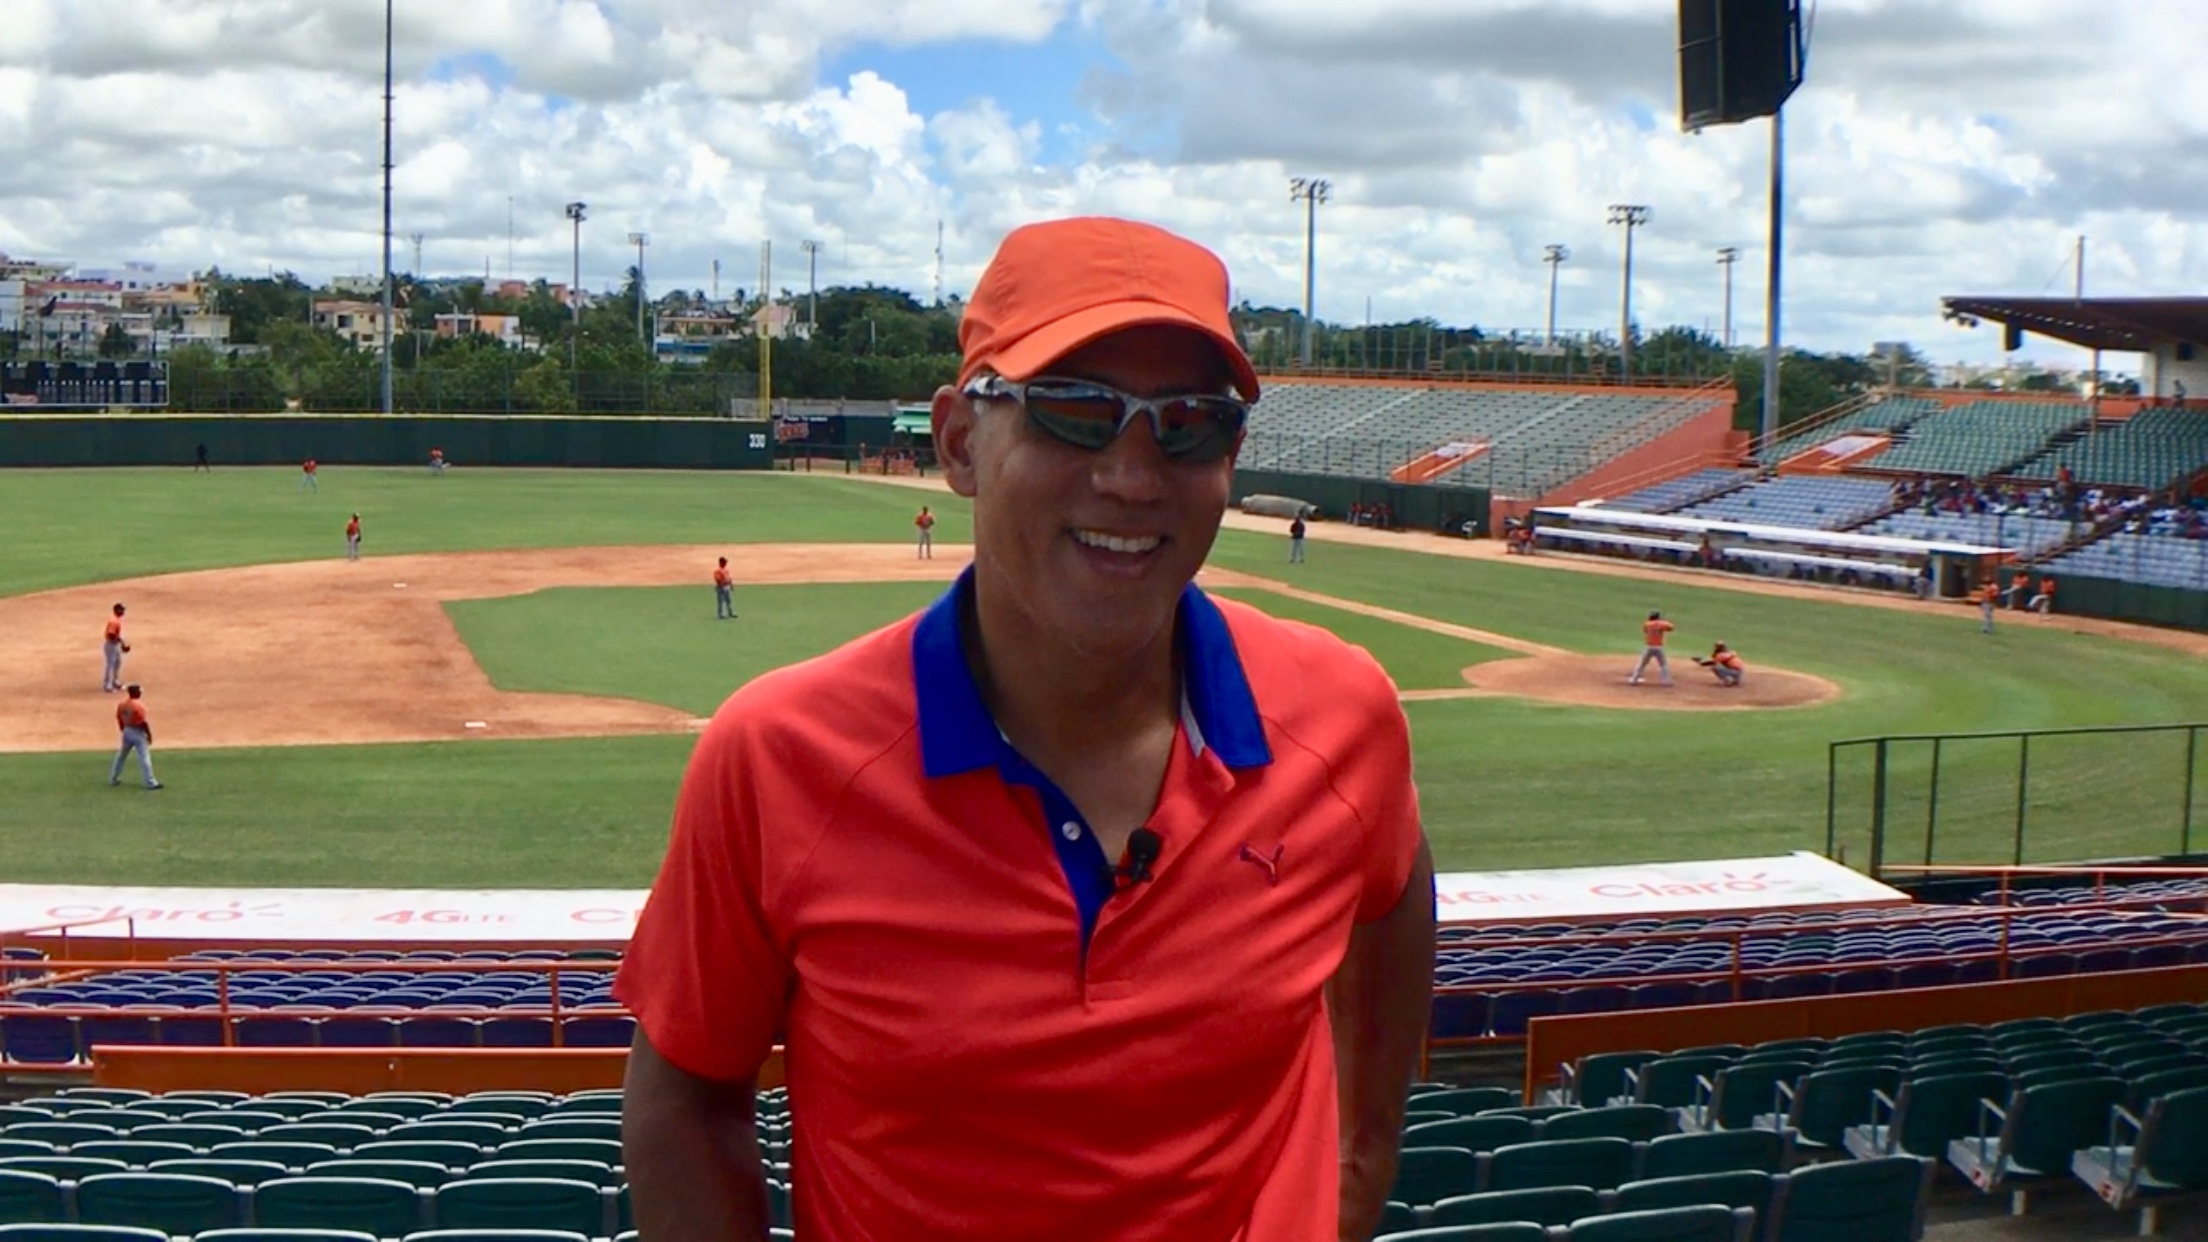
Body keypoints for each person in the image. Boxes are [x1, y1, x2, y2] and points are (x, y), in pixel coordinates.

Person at [616, 216, 1435, 1242]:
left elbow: (1393, 887)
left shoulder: (1343, 714)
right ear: (961, 442)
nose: (1134, 477)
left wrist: (1361, 1165)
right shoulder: (778, 757)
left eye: (1190, 422)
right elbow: (686, 1094)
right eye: (1075, 412)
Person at [109, 685, 161, 790]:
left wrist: (124, 729)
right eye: (139, 691)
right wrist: (148, 734)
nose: (141, 692)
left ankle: (114, 778)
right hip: (137, 732)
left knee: (121, 756)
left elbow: (119, 718)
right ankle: (150, 782)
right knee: (144, 757)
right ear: (136, 692)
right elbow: (143, 722)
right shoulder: (138, 706)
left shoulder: (122, 704)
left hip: (127, 730)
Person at [1629, 609, 1675, 686]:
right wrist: (1662, 621)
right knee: (1663, 665)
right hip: (1658, 647)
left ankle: (1634, 680)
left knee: (1642, 664)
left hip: (1649, 647)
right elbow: (1671, 628)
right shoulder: (1662, 624)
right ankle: (1667, 682)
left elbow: (1645, 630)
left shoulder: (1647, 624)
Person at [101, 603, 130, 692]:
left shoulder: (116, 619)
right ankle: (107, 685)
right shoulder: (114, 621)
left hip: (114, 644)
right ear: (117, 610)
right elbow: (111, 634)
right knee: (111, 665)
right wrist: (121, 642)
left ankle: (115, 682)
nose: (123, 612)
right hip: (111, 645)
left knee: (117, 663)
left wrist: (121, 643)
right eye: (121, 610)